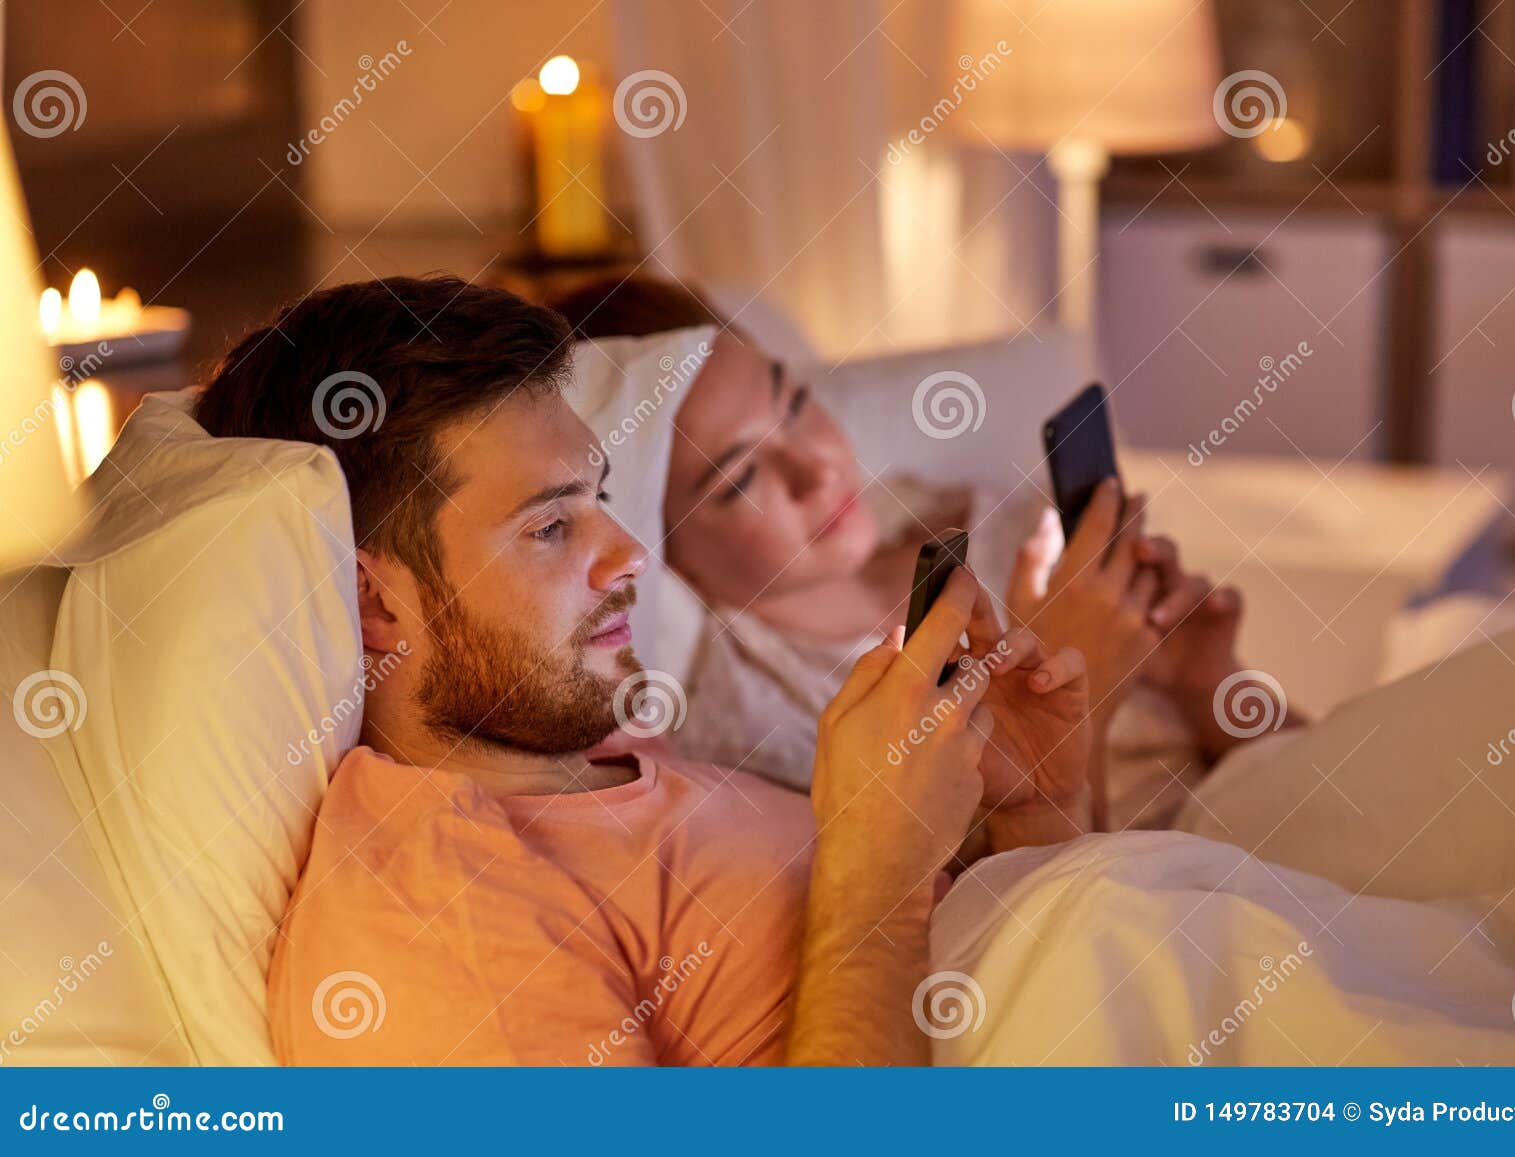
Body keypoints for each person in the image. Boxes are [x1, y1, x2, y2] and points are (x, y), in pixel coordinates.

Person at [197, 275, 1095, 1066]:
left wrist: (1032, 812)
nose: (631, 554)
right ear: (376, 604)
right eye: (551, 527)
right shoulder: (436, 915)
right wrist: (876, 876)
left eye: (603, 500)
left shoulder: (622, 759)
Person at [548, 275, 1287, 829]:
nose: (817, 469)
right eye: (740, 478)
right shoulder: (747, 728)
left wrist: (1208, 677)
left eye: (796, 402)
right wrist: (1079, 694)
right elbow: (1010, 927)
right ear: (661, 544)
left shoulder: (1000, 515)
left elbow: (1304, 776)